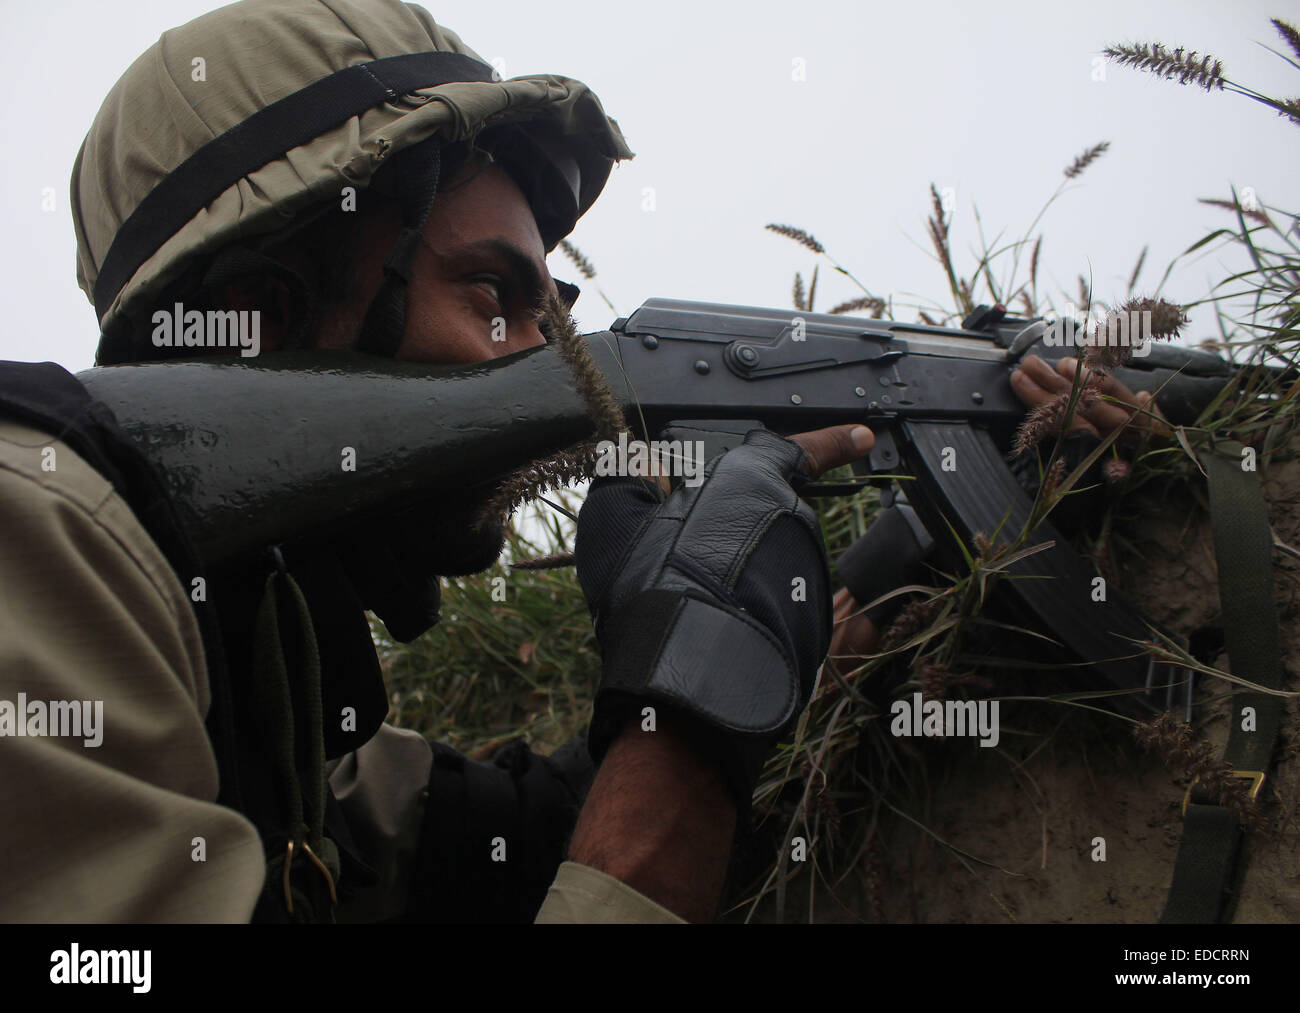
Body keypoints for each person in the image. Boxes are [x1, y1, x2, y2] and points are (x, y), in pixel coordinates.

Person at [0, 0, 869, 924]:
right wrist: (690, 732)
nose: (549, 362)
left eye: (557, 312)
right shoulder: (36, 539)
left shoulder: (269, 669)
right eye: (494, 293)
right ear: (257, 317)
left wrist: (770, 620)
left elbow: (508, 846)